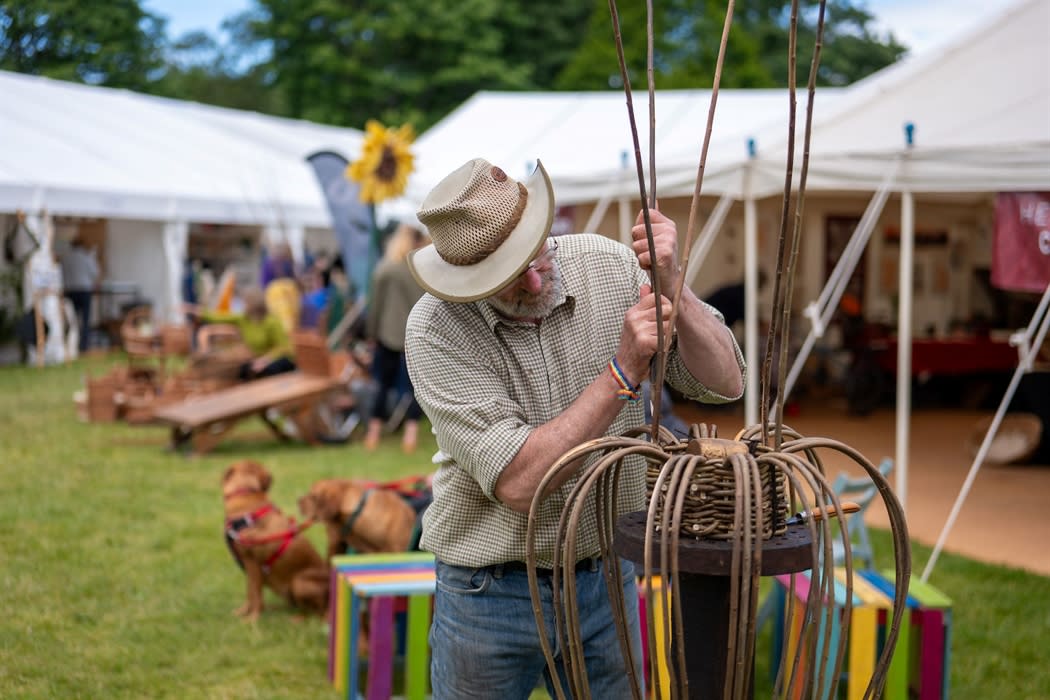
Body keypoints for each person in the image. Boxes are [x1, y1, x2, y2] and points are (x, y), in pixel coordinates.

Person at [403, 158, 745, 698]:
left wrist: (673, 283)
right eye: (509, 279)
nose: (535, 280)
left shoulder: (610, 266)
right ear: (465, 281)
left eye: (534, 256)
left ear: (544, 228)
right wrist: (623, 371)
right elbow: (521, 482)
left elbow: (726, 383)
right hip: (487, 592)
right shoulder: (435, 329)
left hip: (604, 580)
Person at [363, 219, 429, 452]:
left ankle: (373, 433)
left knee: (381, 384)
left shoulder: (385, 269)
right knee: (414, 389)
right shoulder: (421, 269)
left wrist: (371, 333)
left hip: (387, 335)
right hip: (415, 335)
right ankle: (410, 436)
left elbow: (375, 307)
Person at [186, 286, 295, 381]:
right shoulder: (243, 319)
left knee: (268, 370)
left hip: (278, 358)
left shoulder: (272, 321)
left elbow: (284, 348)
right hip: (258, 359)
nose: (243, 305)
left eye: (245, 302)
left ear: (254, 303)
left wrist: (265, 360)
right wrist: (197, 311)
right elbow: (219, 317)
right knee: (242, 370)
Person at [58, 236, 100, 352]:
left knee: (72, 320)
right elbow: (95, 273)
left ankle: (71, 345)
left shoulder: (66, 258)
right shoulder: (87, 257)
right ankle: (83, 346)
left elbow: (61, 274)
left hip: (70, 291)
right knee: (85, 320)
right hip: (84, 291)